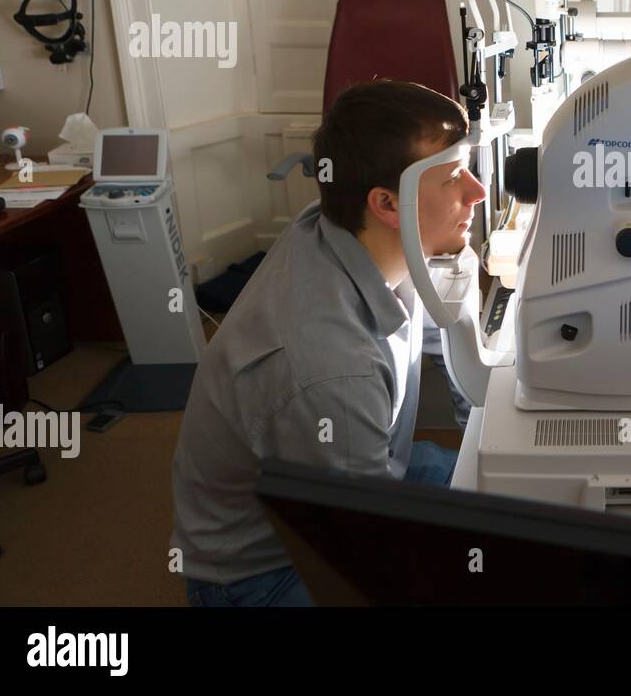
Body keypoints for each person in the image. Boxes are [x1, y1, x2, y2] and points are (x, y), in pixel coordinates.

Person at [171, 81, 487, 605]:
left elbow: (442, 337)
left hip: (356, 473)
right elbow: (359, 555)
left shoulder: (351, 232)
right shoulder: (335, 371)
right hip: (266, 573)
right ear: (388, 202)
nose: (476, 191)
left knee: (505, 489)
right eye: (454, 176)